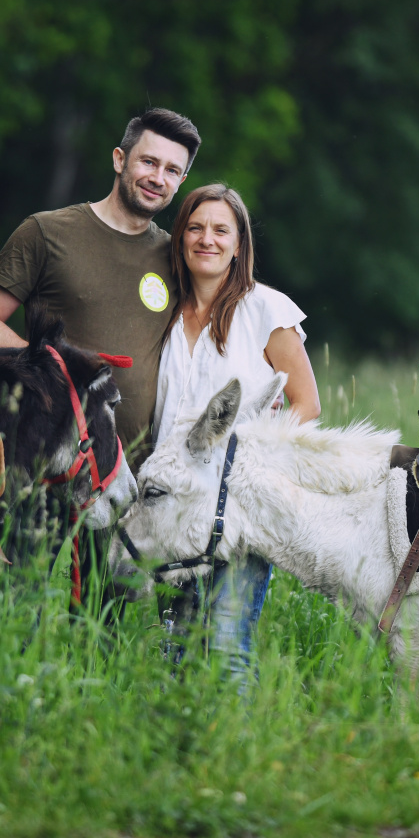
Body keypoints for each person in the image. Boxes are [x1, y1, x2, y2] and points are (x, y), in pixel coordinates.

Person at [0, 107, 201, 458]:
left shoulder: (179, 257)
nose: (158, 178)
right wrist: (48, 371)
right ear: (120, 160)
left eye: (172, 170)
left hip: (139, 479)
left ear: (181, 181)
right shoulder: (45, 231)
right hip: (54, 464)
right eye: (148, 162)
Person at [155, 183, 319, 680]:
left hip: (238, 509)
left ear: (239, 243)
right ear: (180, 236)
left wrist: (249, 469)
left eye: (221, 230)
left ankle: (237, 754)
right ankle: (179, 753)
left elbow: (306, 405)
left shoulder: (267, 310)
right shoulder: (161, 310)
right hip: (171, 506)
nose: (207, 238)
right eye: (196, 227)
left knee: (227, 643)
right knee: (170, 650)